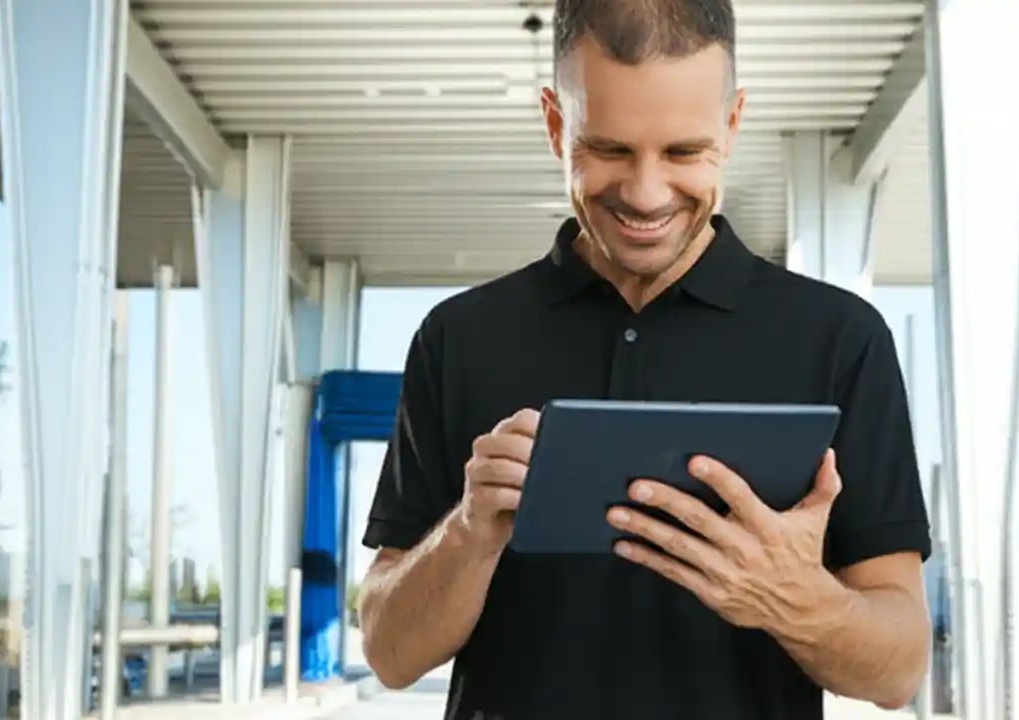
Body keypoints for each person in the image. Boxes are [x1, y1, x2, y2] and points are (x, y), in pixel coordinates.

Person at [356, 0, 932, 717]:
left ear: (732, 123)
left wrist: (797, 601)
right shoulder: (459, 338)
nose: (646, 193)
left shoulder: (840, 338)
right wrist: (469, 532)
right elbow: (387, 652)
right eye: (609, 150)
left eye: (684, 153)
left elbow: (899, 669)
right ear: (555, 124)